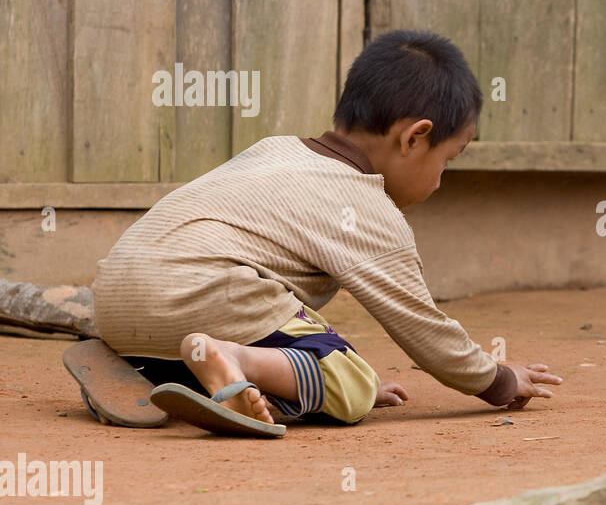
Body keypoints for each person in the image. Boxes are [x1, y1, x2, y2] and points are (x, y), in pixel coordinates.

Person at [92, 30, 561, 427]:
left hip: (114, 299)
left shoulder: (273, 149)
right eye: (447, 160)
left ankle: (149, 365)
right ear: (415, 137)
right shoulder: (366, 206)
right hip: (209, 292)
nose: (441, 179)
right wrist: (496, 380)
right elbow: (421, 326)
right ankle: (246, 362)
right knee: (354, 381)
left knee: (231, 342)